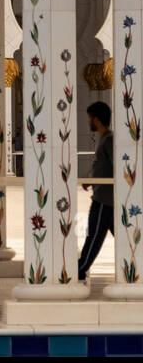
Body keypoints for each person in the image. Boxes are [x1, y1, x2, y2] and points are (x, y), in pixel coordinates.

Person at [78, 100, 114, 281]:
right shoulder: (104, 139)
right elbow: (103, 166)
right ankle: (81, 267)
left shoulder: (109, 139)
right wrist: (91, 180)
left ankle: (80, 268)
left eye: (90, 118)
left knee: (93, 236)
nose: (88, 122)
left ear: (97, 120)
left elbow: (117, 167)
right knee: (97, 235)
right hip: (104, 197)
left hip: (105, 201)